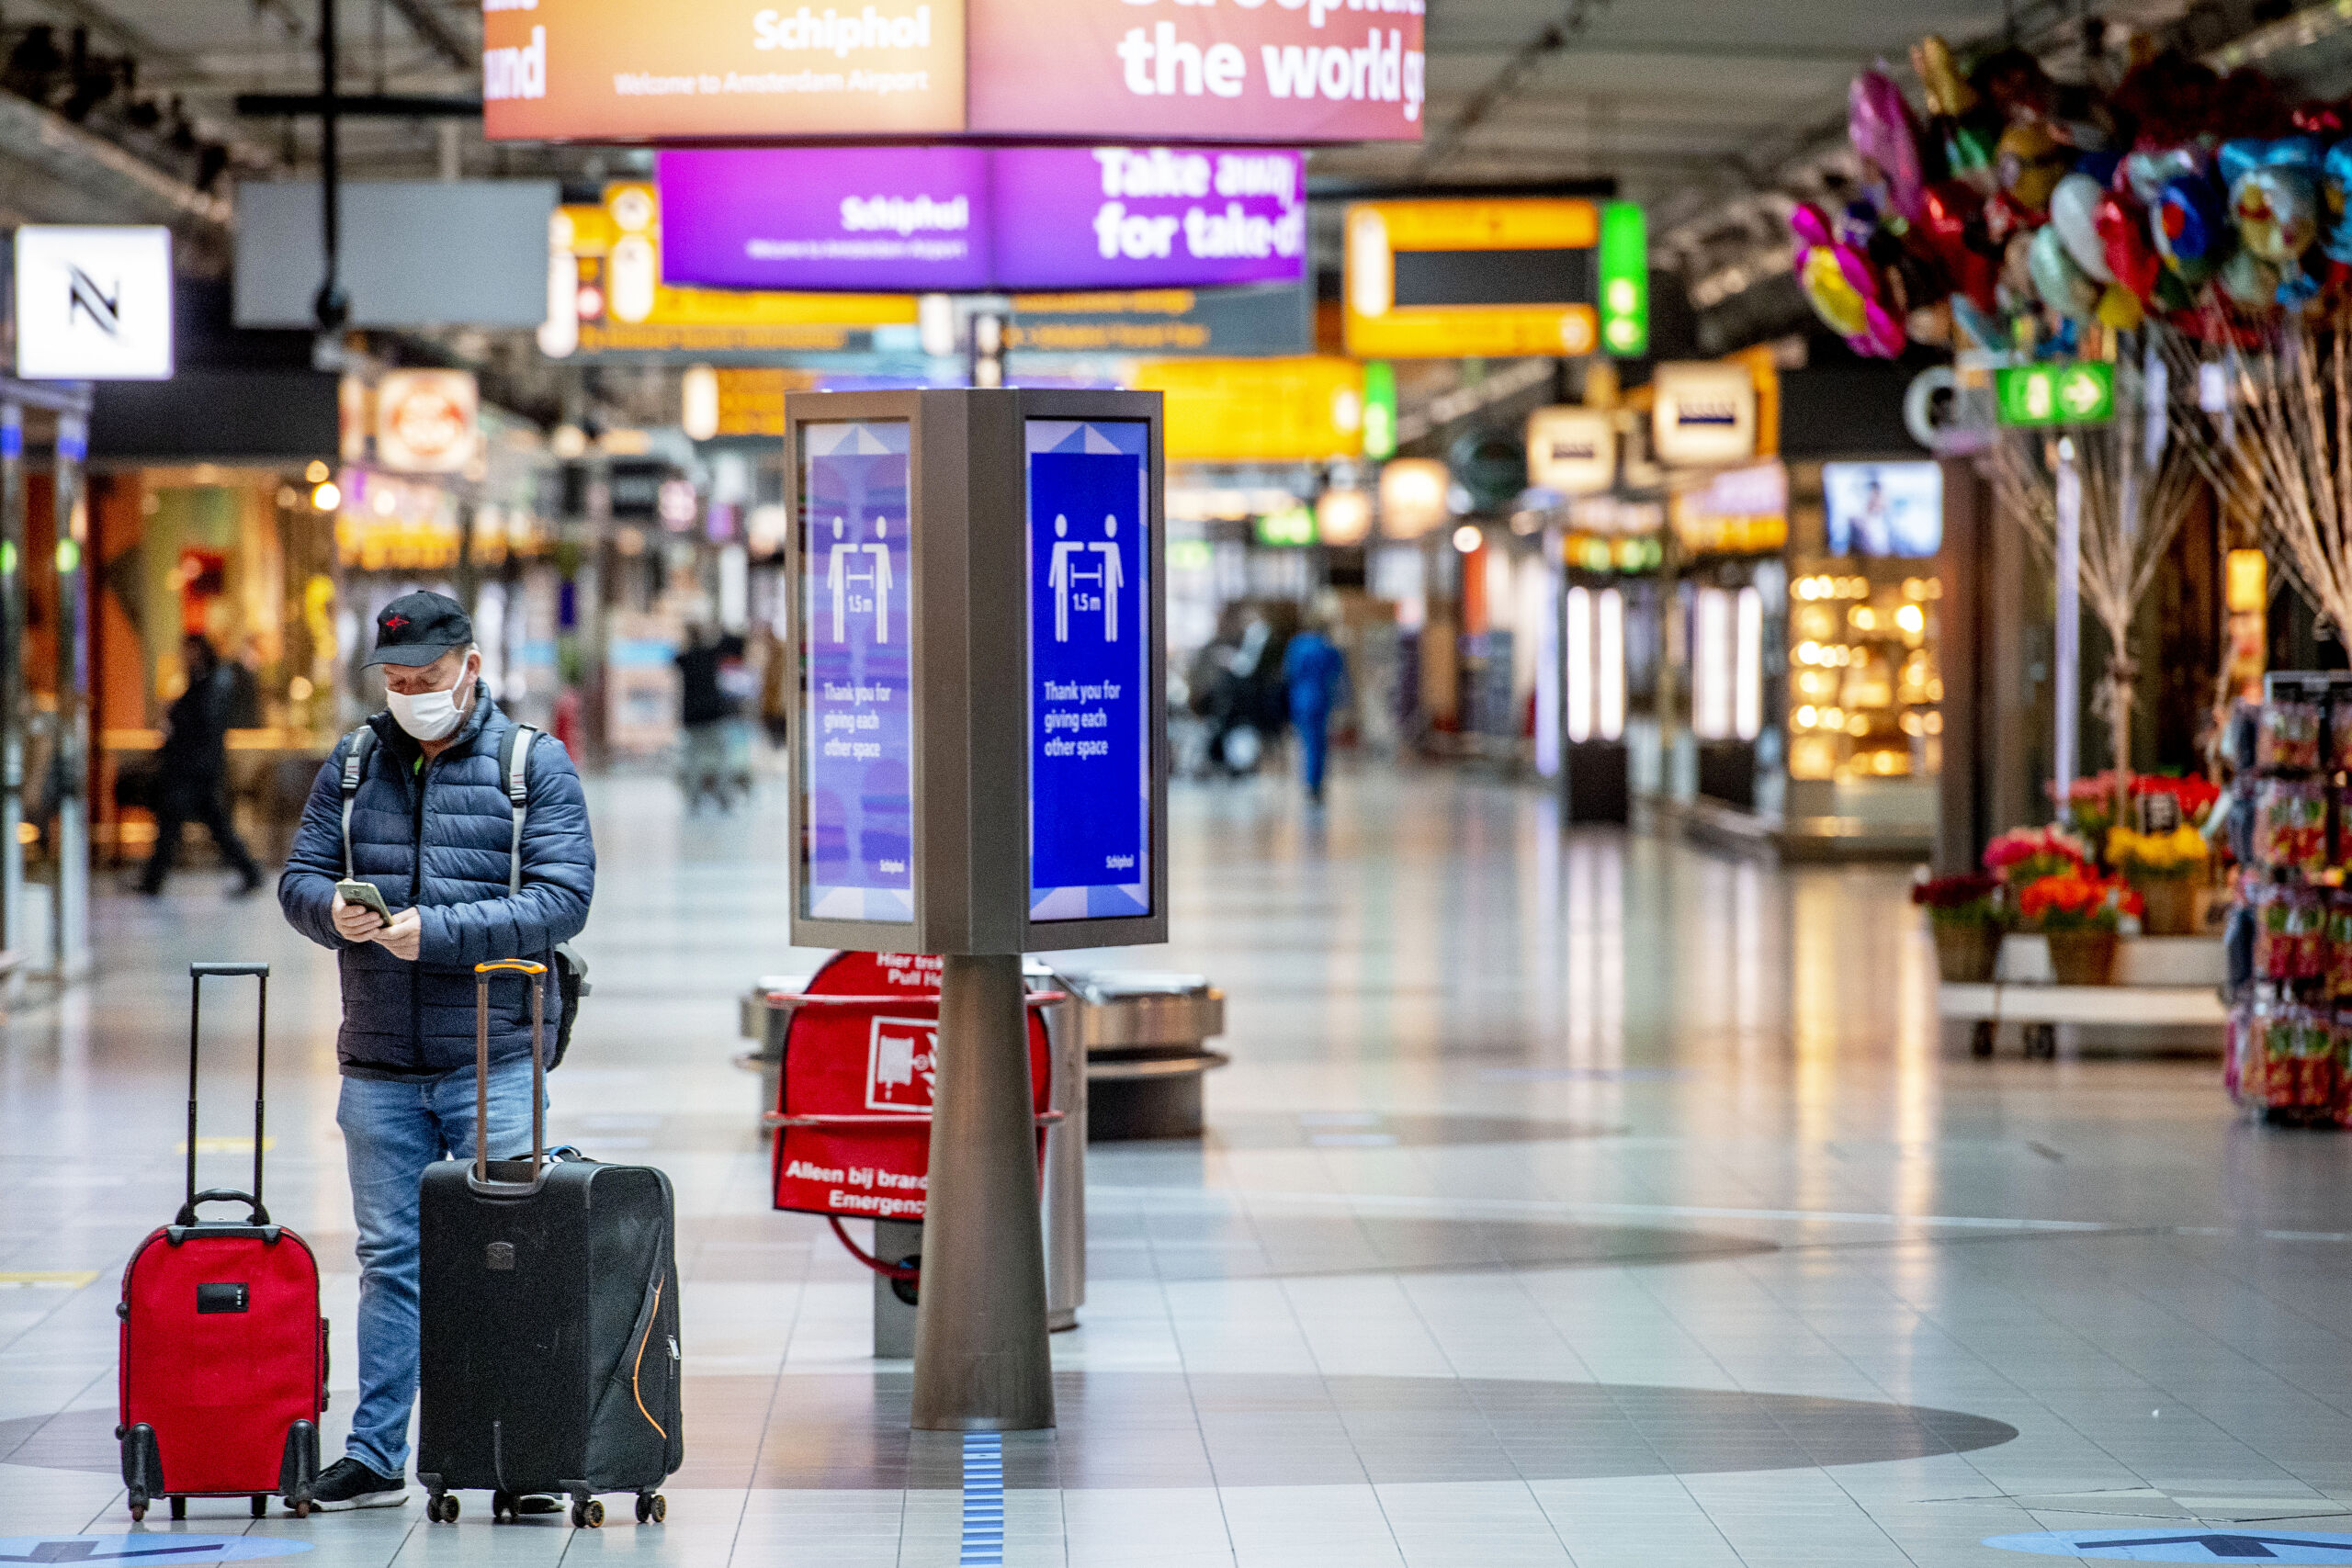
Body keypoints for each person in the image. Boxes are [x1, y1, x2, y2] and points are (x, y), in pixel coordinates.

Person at [277, 591, 594, 1511]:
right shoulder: (352, 763)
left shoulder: (531, 766)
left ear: (472, 669)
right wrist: (327, 914)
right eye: (397, 680)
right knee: (391, 1261)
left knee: (505, 1253)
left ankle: (517, 1456)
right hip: (376, 1059)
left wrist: (441, 931)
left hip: (489, 1057)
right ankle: (376, 1456)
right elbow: (298, 876)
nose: (411, 693)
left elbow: (563, 897)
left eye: (428, 678)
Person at [138, 633, 263, 896]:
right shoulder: (203, 680)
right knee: (195, 824)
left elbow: (201, 723)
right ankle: (250, 872)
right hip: (193, 769)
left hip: (195, 770)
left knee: (183, 823)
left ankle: (153, 881)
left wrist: (175, 716)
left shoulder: (212, 682)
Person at [675, 623, 749, 813]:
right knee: (722, 759)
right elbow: (734, 643)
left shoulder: (685, 658)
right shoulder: (712, 654)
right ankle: (724, 797)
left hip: (692, 717)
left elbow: (674, 658)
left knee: (693, 760)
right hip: (713, 714)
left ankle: (693, 799)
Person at [1282, 617, 1350, 805]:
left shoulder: (1296, 645)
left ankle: (1309, 781)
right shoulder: (1328, 648)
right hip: (1320, 699)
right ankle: (1315, 783)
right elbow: (1338, 675)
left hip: (1299, 699)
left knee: (1305, 742)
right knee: (1317, 744)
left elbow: (1288, 672)